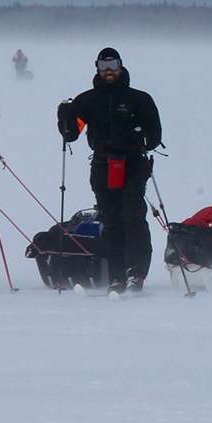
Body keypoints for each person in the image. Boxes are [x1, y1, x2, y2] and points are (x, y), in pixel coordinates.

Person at [57, 47, 162, 293]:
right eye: (103, 67)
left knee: (133, 216)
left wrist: (139, 138)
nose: (108, 72)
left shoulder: (139, 99)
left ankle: (136, 273)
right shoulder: (87, 101)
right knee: (111, 220)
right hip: (102, 165)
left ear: (120, 66)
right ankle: (117, 276)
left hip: (133, 163)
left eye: (112, 66)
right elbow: (71, 134)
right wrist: (65, 116)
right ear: (97, 68)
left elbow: (154, 136)